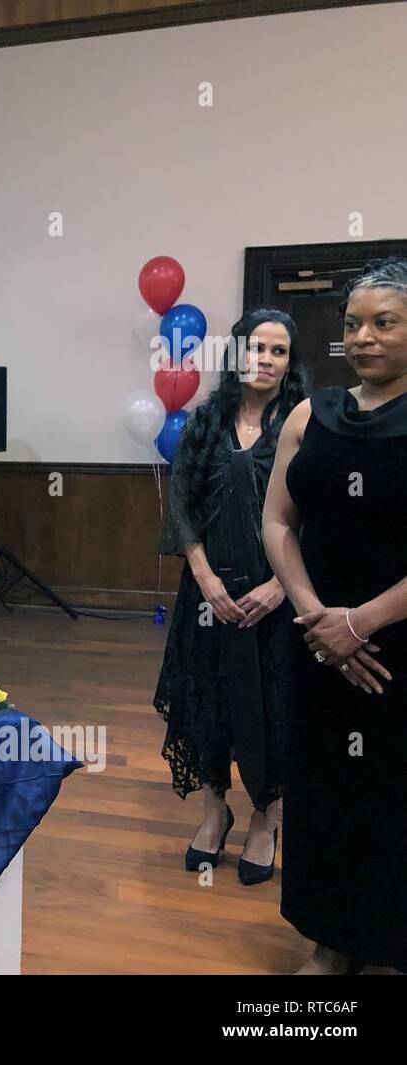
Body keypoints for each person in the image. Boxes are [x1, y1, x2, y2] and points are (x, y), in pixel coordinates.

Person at [263, 257, 407, 976]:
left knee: (394, 790)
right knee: (327, 788)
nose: (365, 337)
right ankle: (333, 938)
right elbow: (278, 523)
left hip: (398, 647)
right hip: (317, 643)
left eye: (385, 322)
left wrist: (365, 620)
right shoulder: (307, 413)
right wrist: (320, 615)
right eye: (354, 324)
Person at [154, 309, 307, 884]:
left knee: (271, 708)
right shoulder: (206, 422)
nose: (264, 361)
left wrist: (279, 587)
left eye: (278, 351)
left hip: (278, 596)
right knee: (207, 700)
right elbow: (183, 507)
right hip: (208, 596)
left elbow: (314, 516)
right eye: (255, 348)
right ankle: (215, 810)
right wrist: (205, 577)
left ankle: (267, 818)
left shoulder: (303, 424)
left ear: (290, 362)